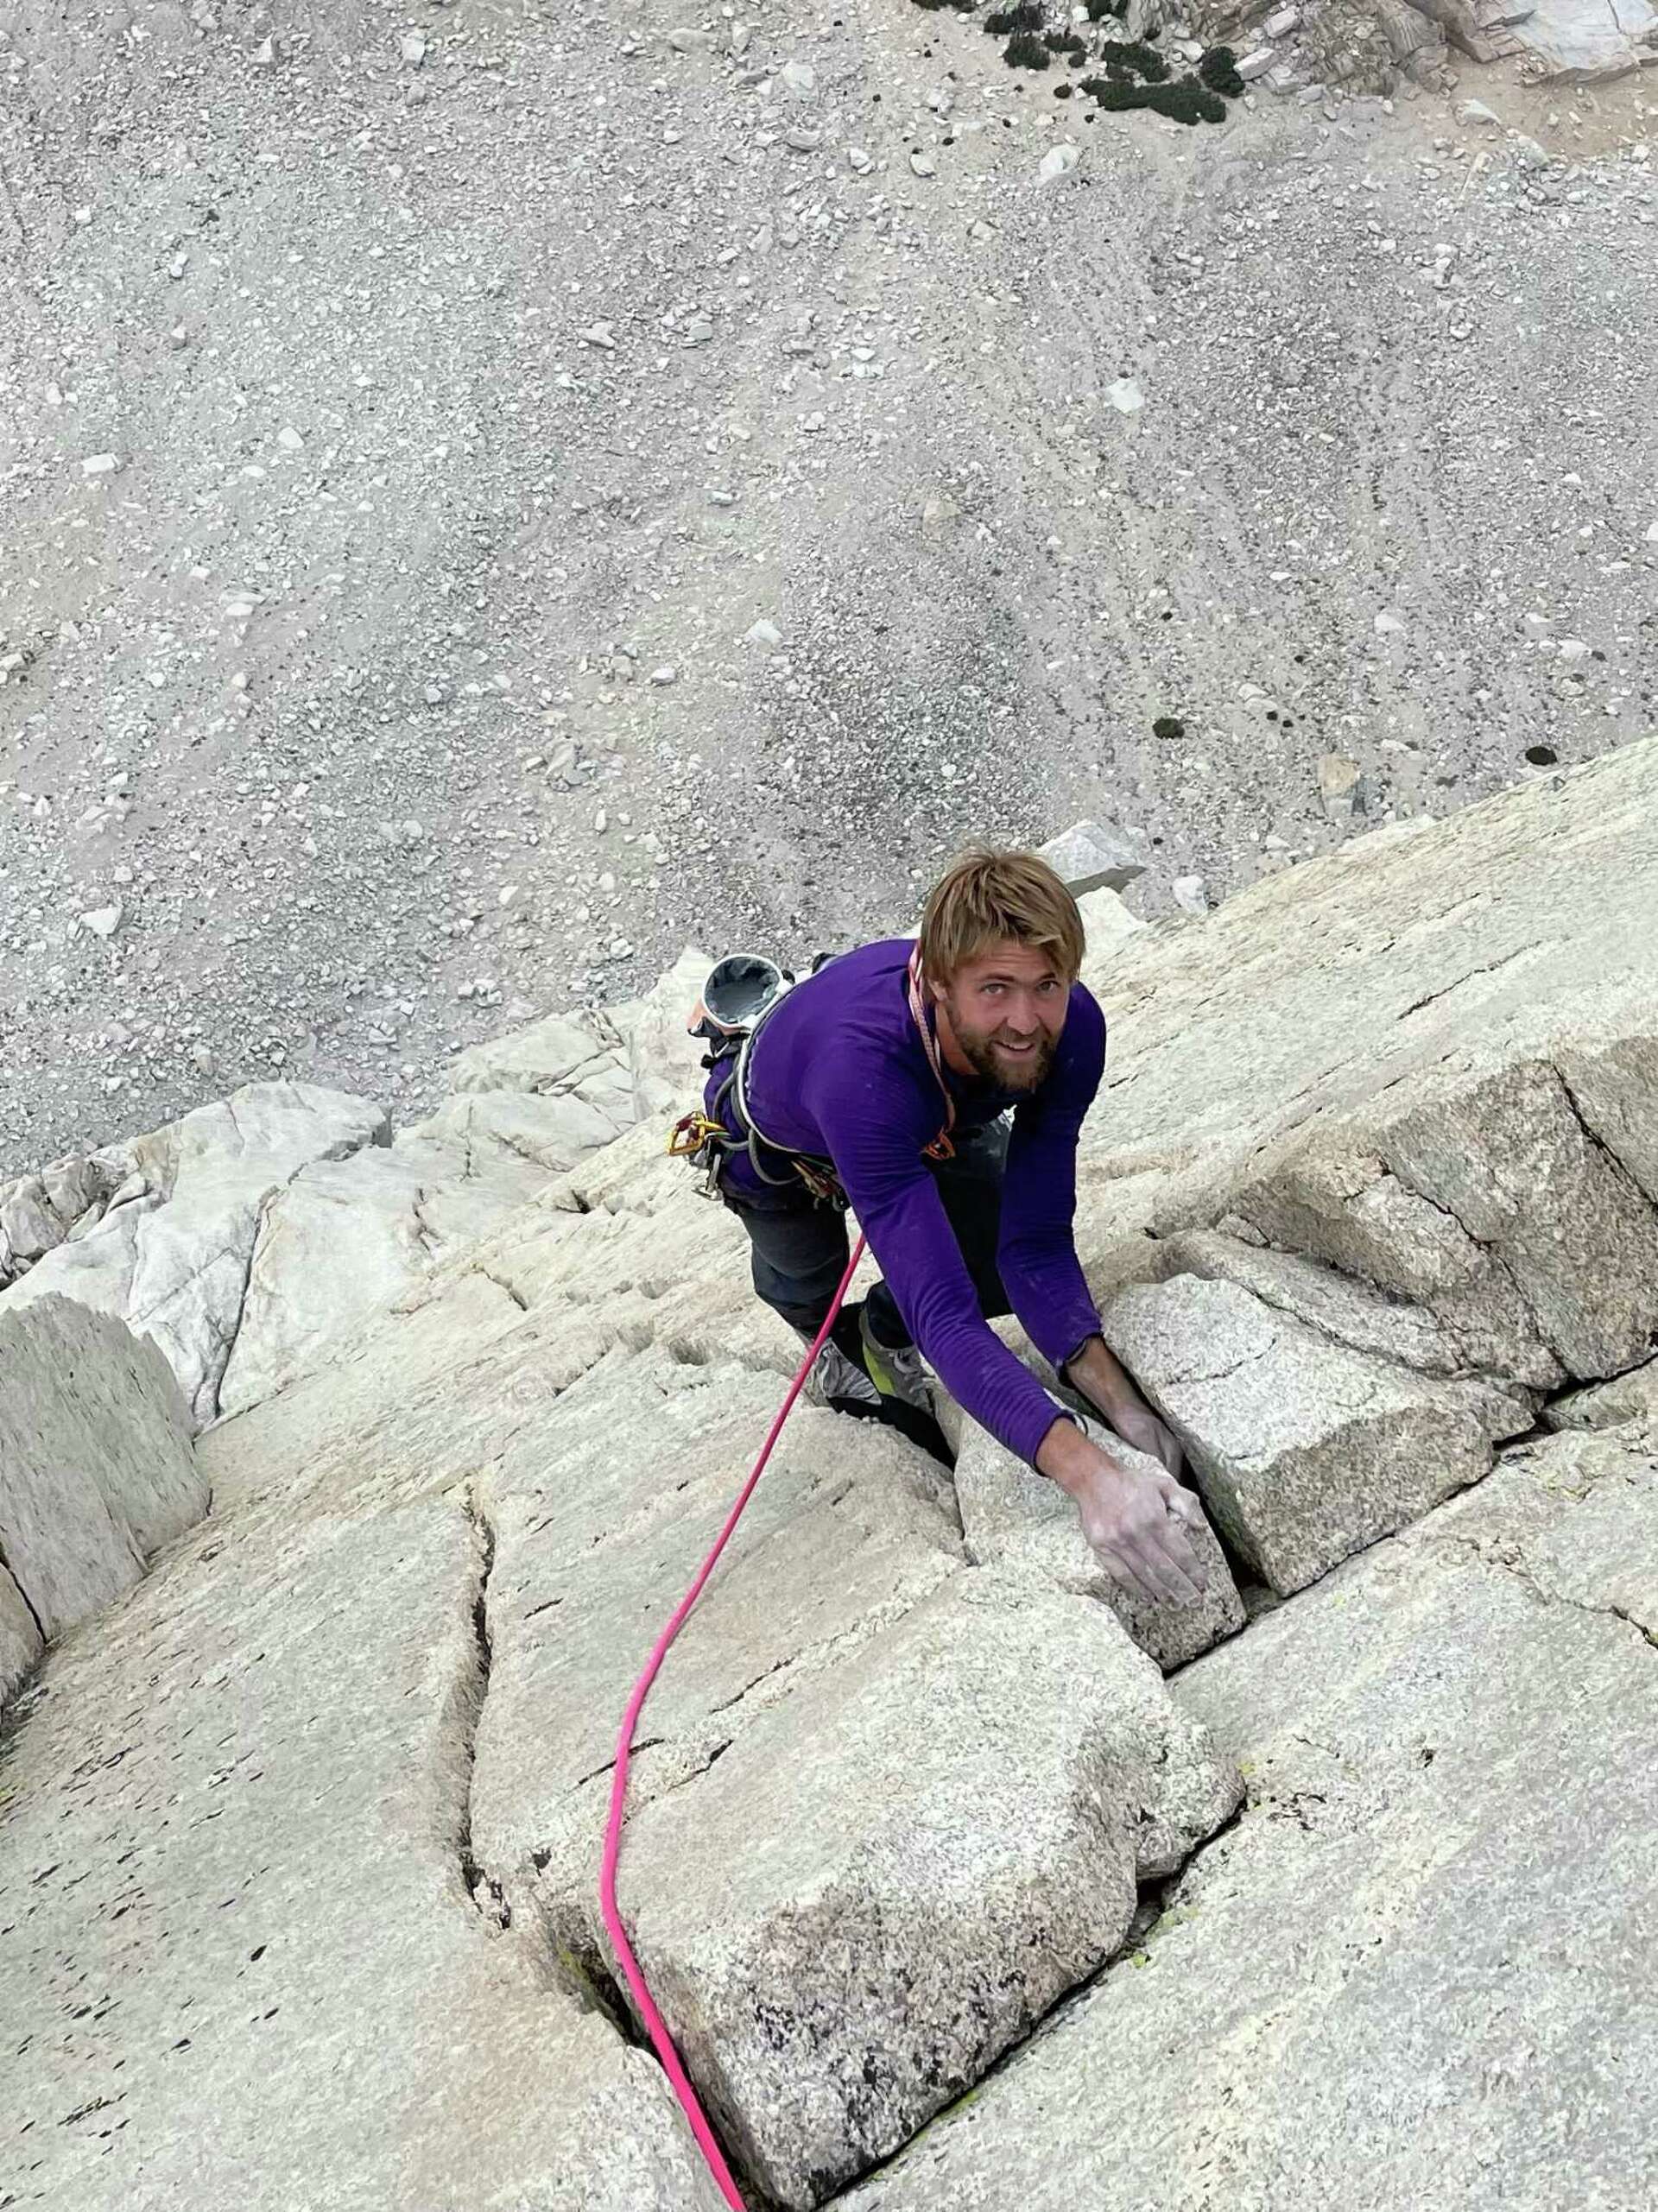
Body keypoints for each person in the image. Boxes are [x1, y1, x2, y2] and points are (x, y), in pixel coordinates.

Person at [701, 845, 1209, 1610]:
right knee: (804, 1281)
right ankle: (845, 1348)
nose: (1025, 1021)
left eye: (1047, 986)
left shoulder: (1068, 1033)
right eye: (995, 989)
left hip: (937, 1107)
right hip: (779, 1146)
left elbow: (1035, 1244)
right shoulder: (859, 1073)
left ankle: (881, 1325)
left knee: (991, 1262)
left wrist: (1124, 1408)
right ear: (938, 983)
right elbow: (946, 1319)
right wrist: (1091, 1478)